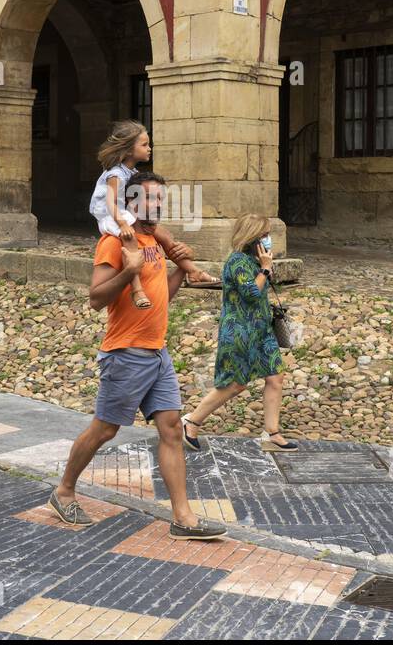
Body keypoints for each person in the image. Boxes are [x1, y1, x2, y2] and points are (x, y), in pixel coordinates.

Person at [51, 171, 227, 540]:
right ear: (129, 203)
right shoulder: (115, 242)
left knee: (171, 430)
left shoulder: (155, 242)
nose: (156, 206)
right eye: (148, 199)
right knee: (105, 429)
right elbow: (96, 298)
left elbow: (162, 294)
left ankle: (183, 518)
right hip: (125, 353)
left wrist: (181, 268)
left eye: (160, 200)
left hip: (157, 352)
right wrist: (128, 271)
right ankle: (64, 490)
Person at [182, 213, 299, 452]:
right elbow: (251, 293)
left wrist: (263, 266)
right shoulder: (237, 262)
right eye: (263, 235)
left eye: (268, 235)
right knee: (235, 383)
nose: (268, 240)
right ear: (251, 238)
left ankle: (272, 433)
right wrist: (266, 270)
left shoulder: (254, 261)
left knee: (275, 376)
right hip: (239, 332)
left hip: (261, 331)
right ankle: (191, 422)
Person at [89, 120, 217, 310]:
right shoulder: (115, 173)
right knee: (130, 239)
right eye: (144, 145)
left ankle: (192, 271)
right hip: (111, 214)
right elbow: (111, 202)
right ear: (128, 150)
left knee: (164, 235)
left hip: (125, 212)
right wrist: (123, 224)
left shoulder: (132, 172)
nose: (149, 148)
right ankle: (137, 289)